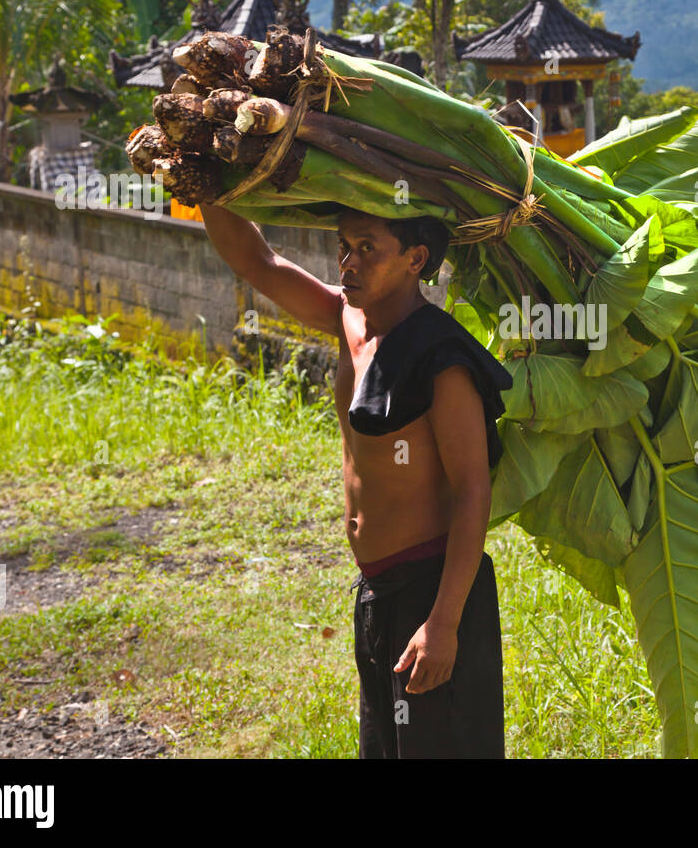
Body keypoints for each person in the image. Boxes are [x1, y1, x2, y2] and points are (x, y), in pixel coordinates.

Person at [199, 201, 511, 758]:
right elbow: (258, 262)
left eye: (367, 248)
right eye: (344, 246)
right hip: (377, 592)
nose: (348, 262)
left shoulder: (442, 358)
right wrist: (202, 180)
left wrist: (443, 624)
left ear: (416, 259)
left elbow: (473, 491)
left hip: (432, 591)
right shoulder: (348, 320)